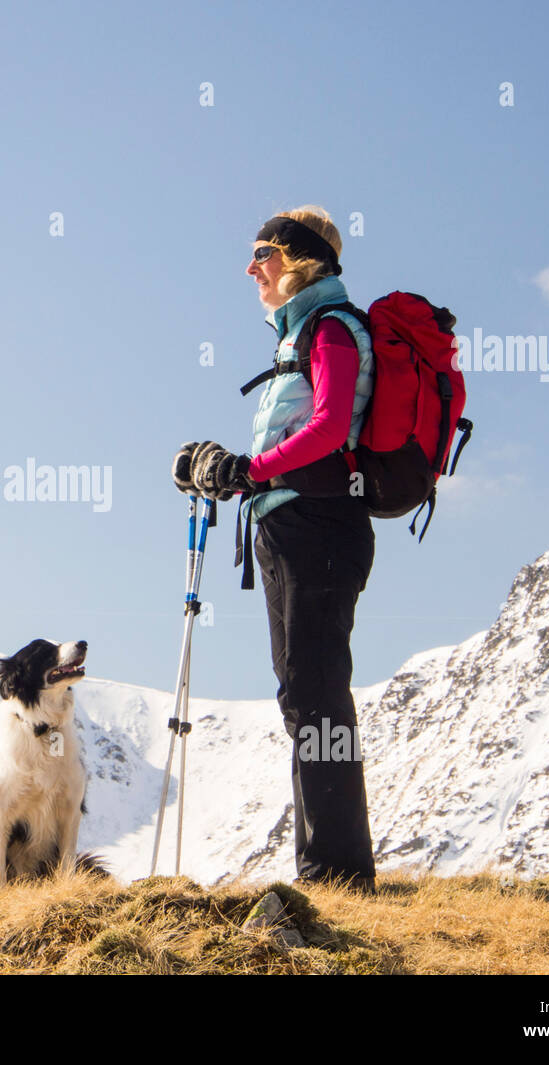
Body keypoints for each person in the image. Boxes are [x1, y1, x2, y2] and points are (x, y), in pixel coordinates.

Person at [173, 205, 377, 894]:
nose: (251, 267)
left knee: (318, 694)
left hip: (319, 526)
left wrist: (249, 470)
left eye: (262, 251)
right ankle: (329, 869)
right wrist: (232, 471)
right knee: (302, 695)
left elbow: (324, 428)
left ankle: (338, 875)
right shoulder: (298, 336)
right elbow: (294, 442)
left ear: (298, 259)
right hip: (288, 528)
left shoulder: (332, 328)